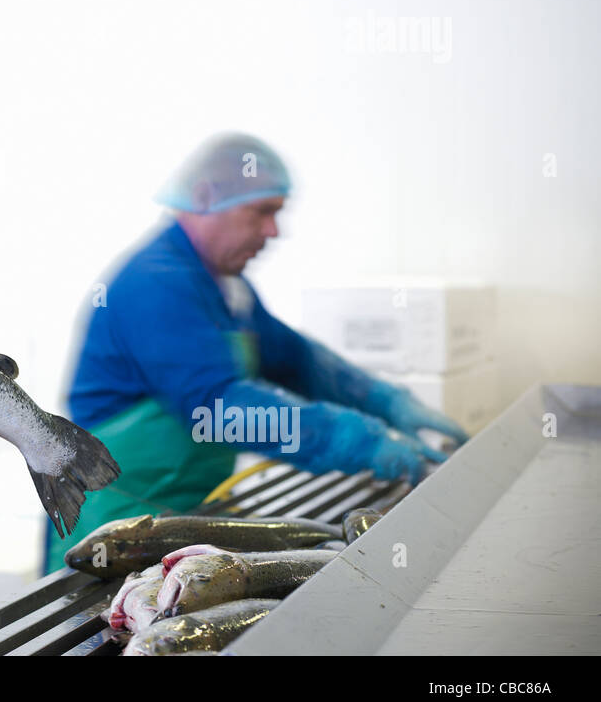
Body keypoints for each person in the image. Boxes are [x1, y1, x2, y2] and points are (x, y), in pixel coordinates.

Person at [43, 133, 468, 574]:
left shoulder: (225, 286)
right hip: (114, 531)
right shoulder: (157, 283)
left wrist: (387, 402)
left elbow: (298, 360)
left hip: (179, 514)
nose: (274, 231)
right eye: (262, 212)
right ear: (205, 198)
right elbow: (222, 409)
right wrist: (359, 440)